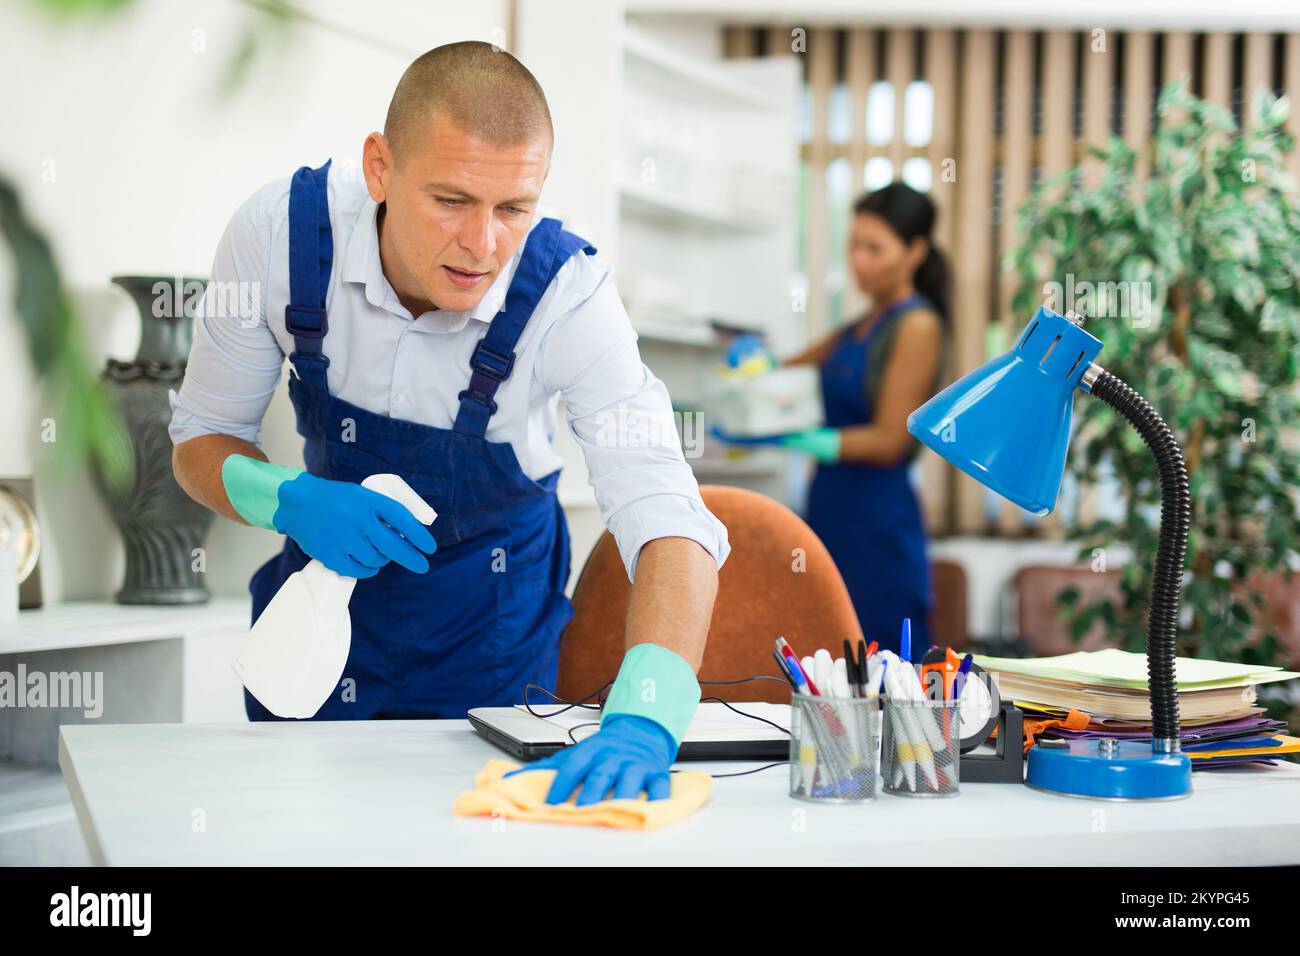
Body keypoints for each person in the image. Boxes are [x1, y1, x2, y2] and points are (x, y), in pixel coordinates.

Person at [169, 42, 729, 806]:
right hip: (319, 633)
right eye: (452, 200)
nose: (484, 245)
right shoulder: (277, 238)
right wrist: (286, 497)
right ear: (380, 167)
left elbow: (667, 512)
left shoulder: (569, 295)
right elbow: (200, 435)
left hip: (490, 644)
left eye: (513, 209)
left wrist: (650, 715)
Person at [779, 182, 947, 654]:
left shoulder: (917, 324)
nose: (859, 260)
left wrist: (812, 441)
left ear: (915, 251)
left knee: (883, 672)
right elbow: (786, 373)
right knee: (829, 661)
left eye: (875, 248)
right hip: (830, 514)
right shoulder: (858, 327)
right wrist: (752, 369)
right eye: (854, 245)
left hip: (878, 526)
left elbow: (891, 440)